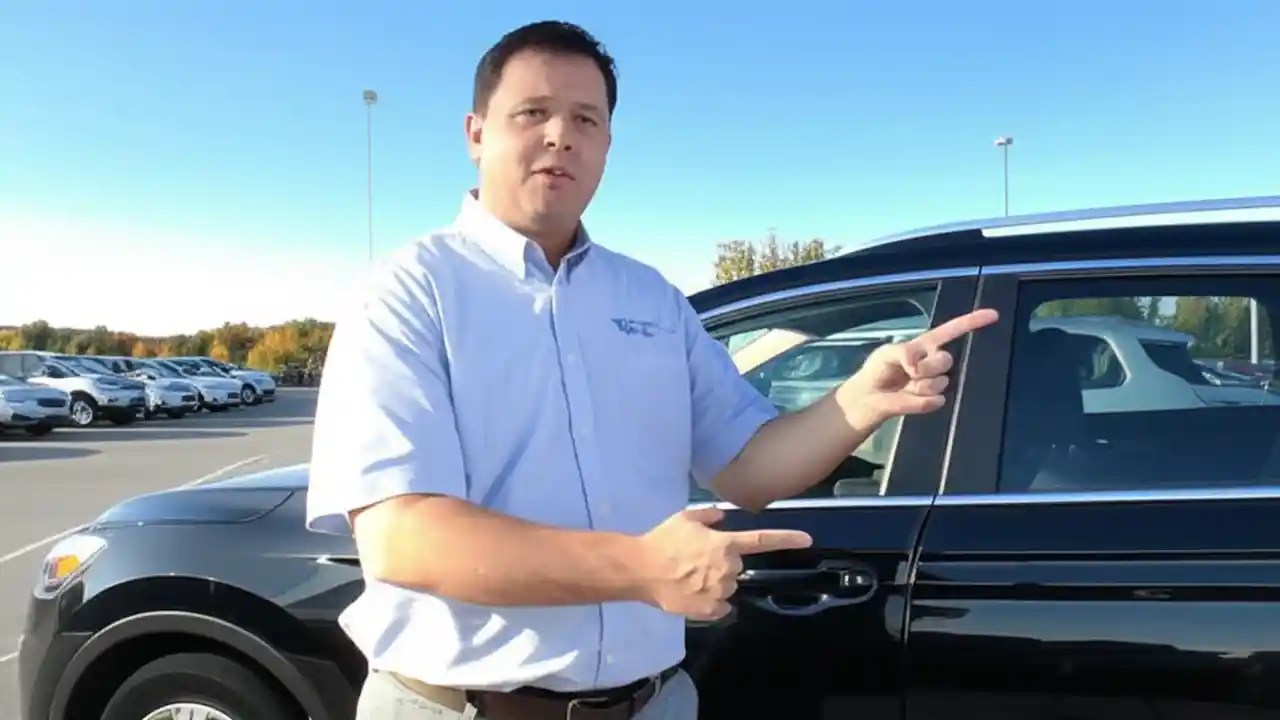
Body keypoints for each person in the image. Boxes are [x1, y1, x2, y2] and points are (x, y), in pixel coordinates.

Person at [306, 19, 998, 720]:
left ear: (607, 144)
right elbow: (401, 538)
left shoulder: (650, 300)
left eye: (586, 119)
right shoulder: (411, 292)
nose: (560, 136)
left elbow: (750, 466)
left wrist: (857, 403)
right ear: (476, 133)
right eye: (533, 113)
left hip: (653, 702)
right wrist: (642, 567)